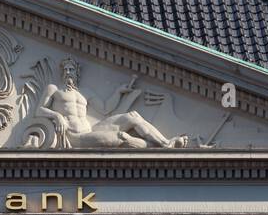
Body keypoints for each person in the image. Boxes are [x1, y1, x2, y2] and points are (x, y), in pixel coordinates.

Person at [37, 57, 188, 149]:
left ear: (76, 73)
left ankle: (166, 143)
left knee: (132, 116)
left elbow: (105, 109)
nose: (68, 72)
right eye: (66, 70)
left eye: (71, 70)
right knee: (121, 137)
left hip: (89, 131)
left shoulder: (85, 92)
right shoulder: (54, 89)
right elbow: (40, 110)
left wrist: (119, 92)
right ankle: (152, 148)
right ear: (62, 73)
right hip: (75, 138)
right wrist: (57, 116)